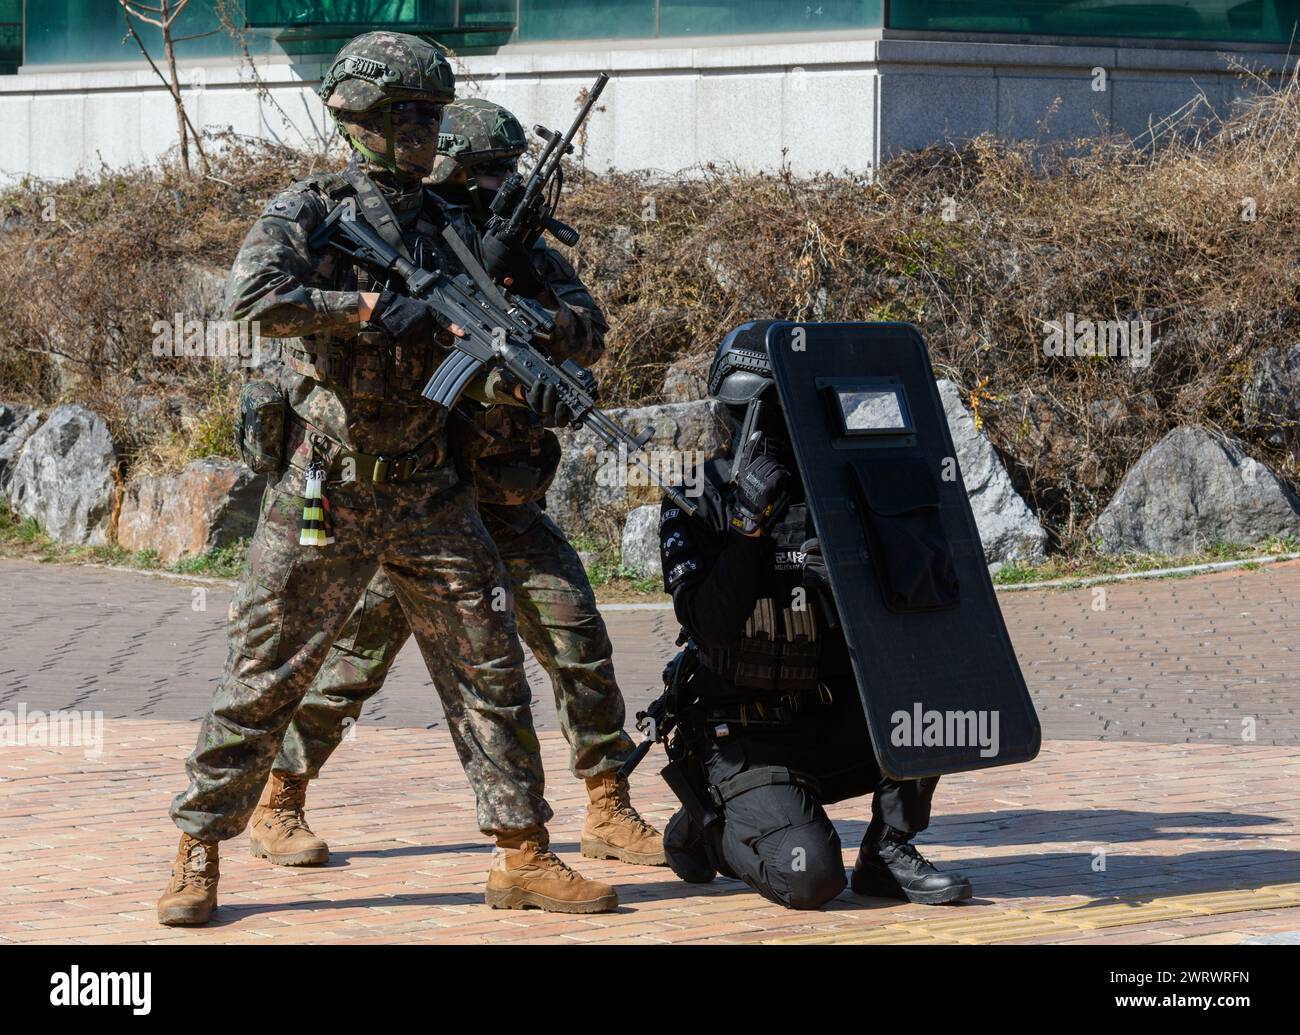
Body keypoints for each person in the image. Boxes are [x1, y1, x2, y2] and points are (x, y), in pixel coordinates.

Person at [158, 32, 618, 926]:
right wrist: (366, 307)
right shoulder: (314, 207)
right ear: (359, 118)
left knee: (489, 666)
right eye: (407, 116)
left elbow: (545, 326)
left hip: (430, 491)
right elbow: (250, 300)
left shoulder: (453, 225)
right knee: (265, 670)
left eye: (431, 117)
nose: (421, 133)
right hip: (324, 489)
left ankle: (523, 853)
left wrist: (522, 340)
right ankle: (199, 847)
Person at [253, 97, 663, 874]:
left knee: (578, 639)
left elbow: (591, 329)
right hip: (420, 505)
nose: (496, 187)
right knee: (351, 663)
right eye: (481, 173)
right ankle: (280, 797)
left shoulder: (530, 256)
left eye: (506, 173)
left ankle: (608, 803)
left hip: (504, 501)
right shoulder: (411, 245)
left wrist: (535, 333)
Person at [656, 325, 973, 910]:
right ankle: (709, 828)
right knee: (810, 877)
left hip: (833, 719)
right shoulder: (696, 496)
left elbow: (928, 613)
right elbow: (709, 624)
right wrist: (749, 534)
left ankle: (889, 851)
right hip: (749, 732)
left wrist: (867, 567)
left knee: (936, 708)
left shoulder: (844, 494)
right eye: (769, 415)